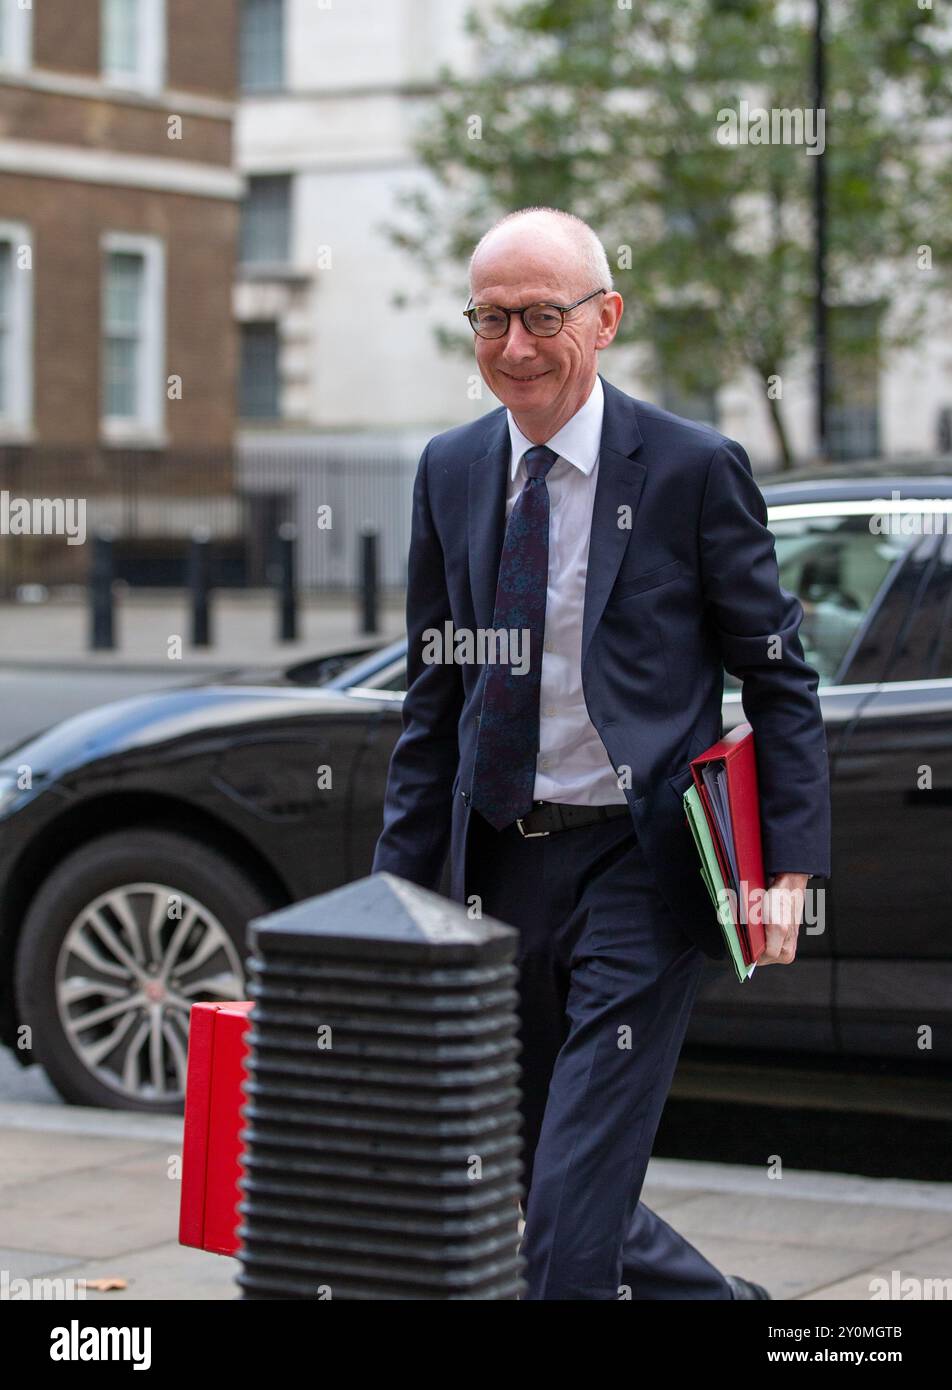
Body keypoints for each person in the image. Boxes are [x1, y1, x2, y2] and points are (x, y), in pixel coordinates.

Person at [372, 206, 831, 1300]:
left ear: (605, 317)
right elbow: (432, 701)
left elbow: (778, 678)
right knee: (550, 1178)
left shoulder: (689, 469)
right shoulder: (450, 470)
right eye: (490, 320)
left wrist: (788, 871)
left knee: (563, 1228)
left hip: (641, 863)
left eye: (541, 316)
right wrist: (395, 903)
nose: (516, 347)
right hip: (498, 865)